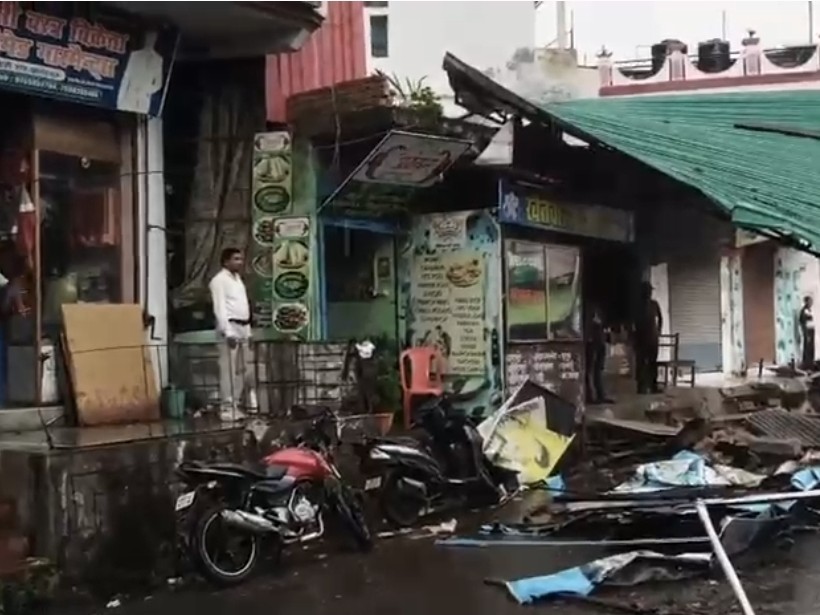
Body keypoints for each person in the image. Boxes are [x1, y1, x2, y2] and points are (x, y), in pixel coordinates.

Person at [209, 248, 257, 421]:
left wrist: (249, 332)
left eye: (241, 259)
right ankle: (226, 406)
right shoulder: (219, 281)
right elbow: (220, 307)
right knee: (228, 369)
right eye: (236, 259)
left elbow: (243, 306)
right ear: (226, 261)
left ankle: (236, 403)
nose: (240, 262)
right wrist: (227, 332)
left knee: (242, 370)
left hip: (243, 326)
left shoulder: (238, 280)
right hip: (230, 326)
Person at [634, 281, 663, 394]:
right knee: (641, 363)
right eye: (647, 291)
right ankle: (641, 386)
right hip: (641, 338)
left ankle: (653, 385)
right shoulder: (637, 306)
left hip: (652, 338)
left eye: (650, 291)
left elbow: (660, 318)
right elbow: (632, 323)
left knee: (652, 363)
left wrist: (659, 330)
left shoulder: (654, 304)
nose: (649, 293)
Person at [585, 304, 612, 404]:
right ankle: (590, 396)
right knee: (590, 370)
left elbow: (603, 325)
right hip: (592, 342)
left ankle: (600, 395)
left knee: (598, 370)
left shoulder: (599, 309)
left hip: (599, 341)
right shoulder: (587, 309)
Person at [799, 295, 815, 371]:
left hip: (811, 330)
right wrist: (805, 333)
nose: (811, 302)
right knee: (807, 348)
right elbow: (802, 322)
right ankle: (806, 364)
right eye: (810, 301)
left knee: (811, 347)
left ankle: (811, 363)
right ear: (806, 302)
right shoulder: (804, 311)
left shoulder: (809, 310)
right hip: (807, 331)